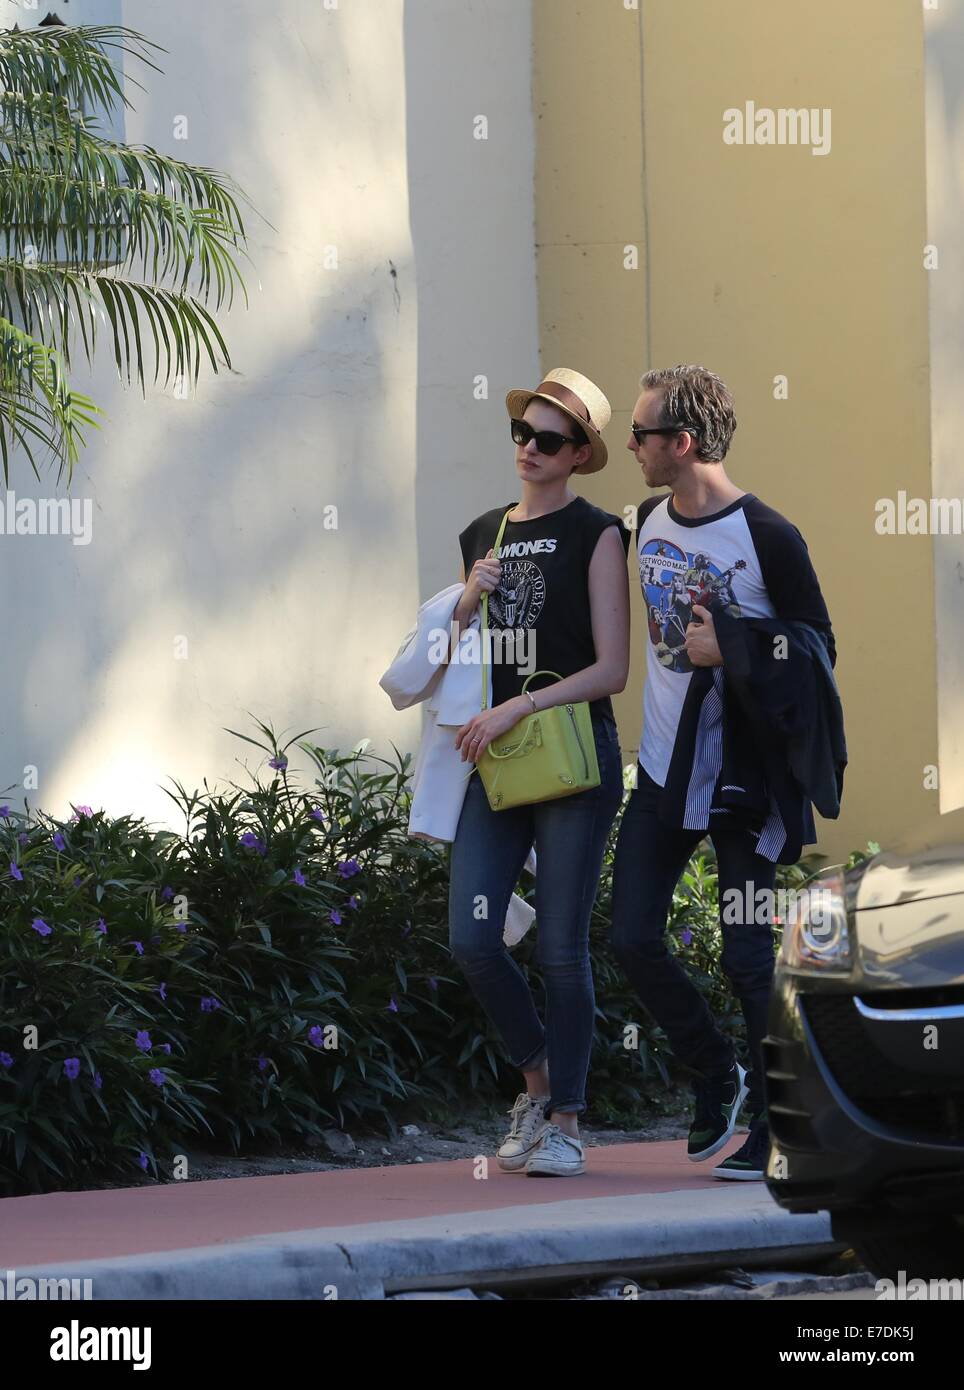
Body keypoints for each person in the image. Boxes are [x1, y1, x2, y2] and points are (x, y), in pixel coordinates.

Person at [612, 364, 840, 1180]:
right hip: (667, 771)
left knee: (749, 957)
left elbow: (818, 647)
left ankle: (784, 1128)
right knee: (633, 935)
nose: (629, 445)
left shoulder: (768, 535)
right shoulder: (644, 517)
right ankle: (720, 1072)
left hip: (745, 782)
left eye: (640, 433)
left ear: (682, 443)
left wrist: (736, 646)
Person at [449, 367, 630, 1177]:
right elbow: (448, 657)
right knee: (472, 939)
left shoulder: (597, 532)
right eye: (522, 434)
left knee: (560, 947)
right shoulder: (482, 535)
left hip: (571, 755)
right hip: (495, 762)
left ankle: (568, 1123)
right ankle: (534, 1083)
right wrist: (461, 604)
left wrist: (524, 706)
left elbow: (613, 668)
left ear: (579, 452)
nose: (529, 449)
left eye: (549, 440)